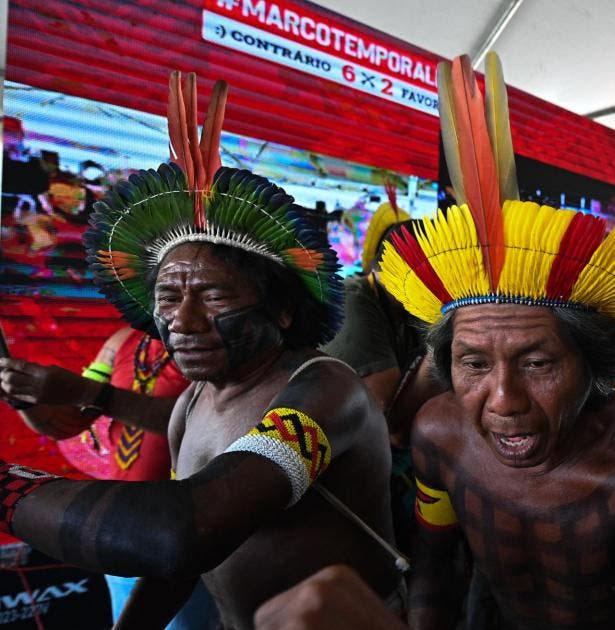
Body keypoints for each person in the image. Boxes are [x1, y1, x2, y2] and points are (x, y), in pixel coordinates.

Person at [380, 52, 615, 628]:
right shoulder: (438, 434)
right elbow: (433, 568)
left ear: (593, 364)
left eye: (537, 363)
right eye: (473, 364)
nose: (504, 400)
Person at [0, 71, 398, 629]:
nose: (181, 321)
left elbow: (190, 529)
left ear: (281, 310)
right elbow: (184, 565)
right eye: (167, 295)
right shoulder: (194, 402)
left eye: (212, 295)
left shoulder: (327, 391)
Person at [0, 325, 218, 627]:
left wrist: (91, 392)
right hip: (120, 530)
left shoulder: (213, 341)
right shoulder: (122, 341)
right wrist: (22, 397)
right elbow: (70, 421)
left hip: (185, 531)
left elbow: (205, 422)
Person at [321, 180, 445, 549]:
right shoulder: (354, 298)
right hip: (346, 474)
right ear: (380, 268)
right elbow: (390, 426)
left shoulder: (415, 307)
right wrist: (445, 343)